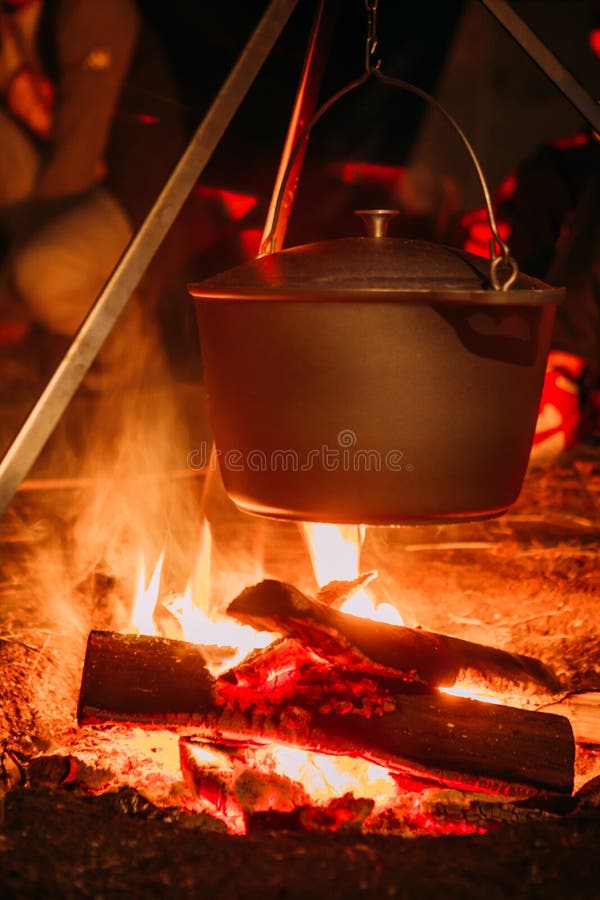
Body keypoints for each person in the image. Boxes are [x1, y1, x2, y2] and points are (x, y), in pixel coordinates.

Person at [0, 0, 184, 390]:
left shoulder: (91, 9)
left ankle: (132, 371)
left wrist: (11, 298)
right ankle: (40, 362)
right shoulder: (12, 27)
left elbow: (76, 157)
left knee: (43, 274)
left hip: (141, 205)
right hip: (67, 202)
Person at [456, 126, 600, 463]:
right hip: (529, 345)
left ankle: (562, 377)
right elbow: (492, 249)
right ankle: (554, 378)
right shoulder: (558, 165)